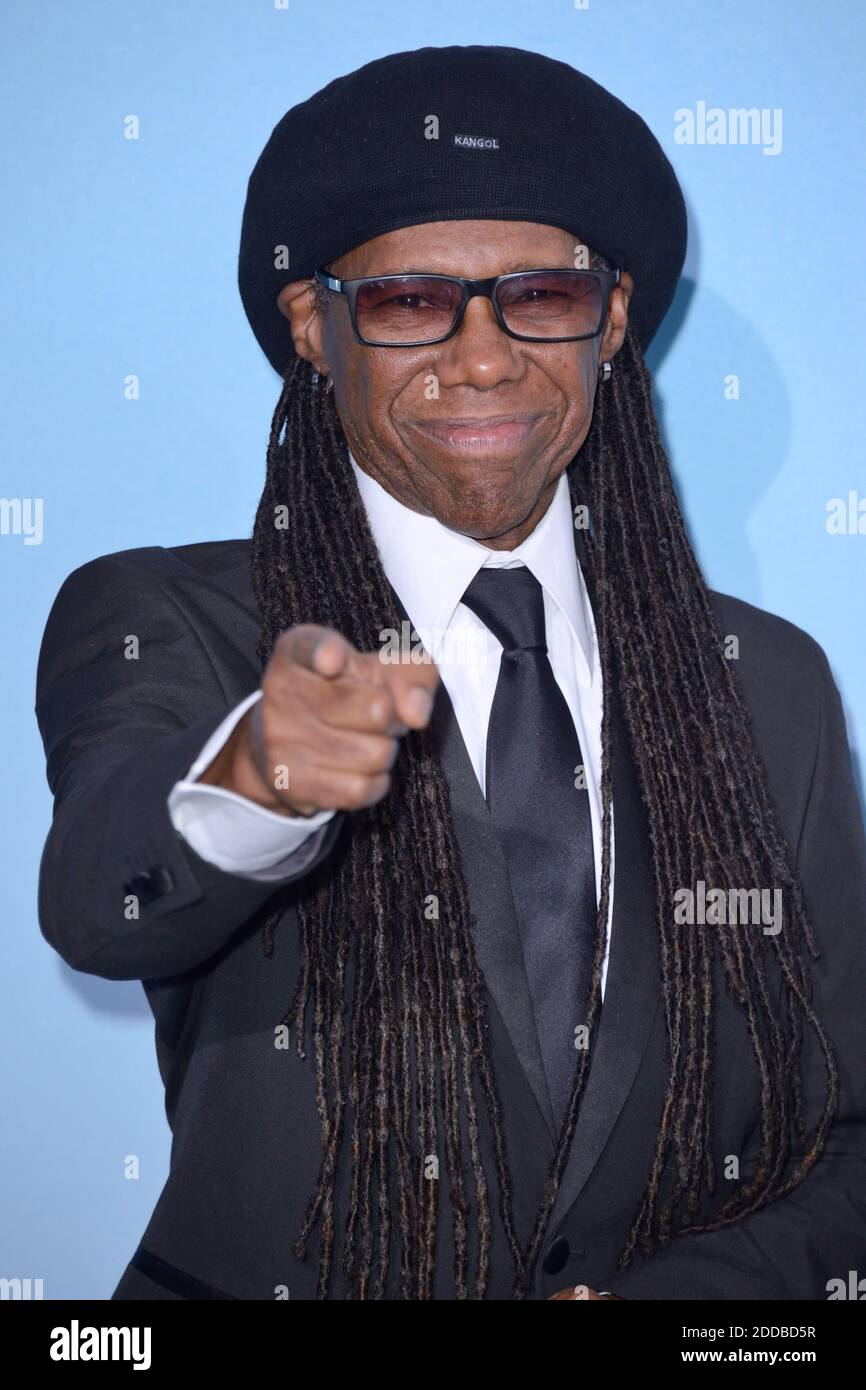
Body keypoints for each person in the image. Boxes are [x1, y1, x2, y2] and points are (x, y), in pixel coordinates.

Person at [35, 44, 866, 1301]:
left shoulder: (769, 684)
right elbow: (104, 897)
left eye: (537, 296)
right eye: (410, 302)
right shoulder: (170, 617)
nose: (483, 359)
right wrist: (257, 776)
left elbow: (842, 1139)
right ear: (312, 327)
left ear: (614, 315)